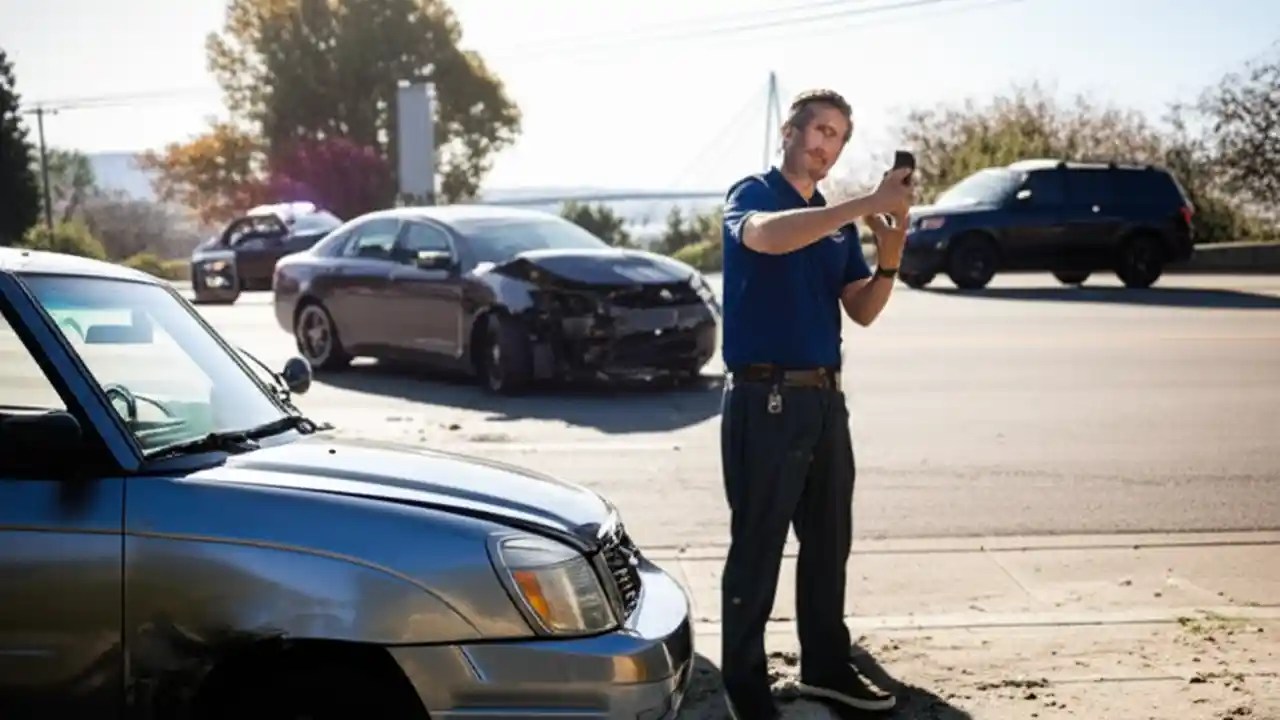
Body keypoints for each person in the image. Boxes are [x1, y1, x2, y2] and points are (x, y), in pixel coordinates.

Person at [717, 88, 914, 718]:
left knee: (829, 543)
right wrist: (868, 202)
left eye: (838, 137)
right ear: (789, 131)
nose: (826, 145)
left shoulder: (834, 220)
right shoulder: (751, 194)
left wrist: (889, 262)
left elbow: (860, 310)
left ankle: (826, 666)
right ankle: (744, 687)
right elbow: (767, 240)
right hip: (763, 398)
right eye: (820, 130)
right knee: (758, 546)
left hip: (825, 402)